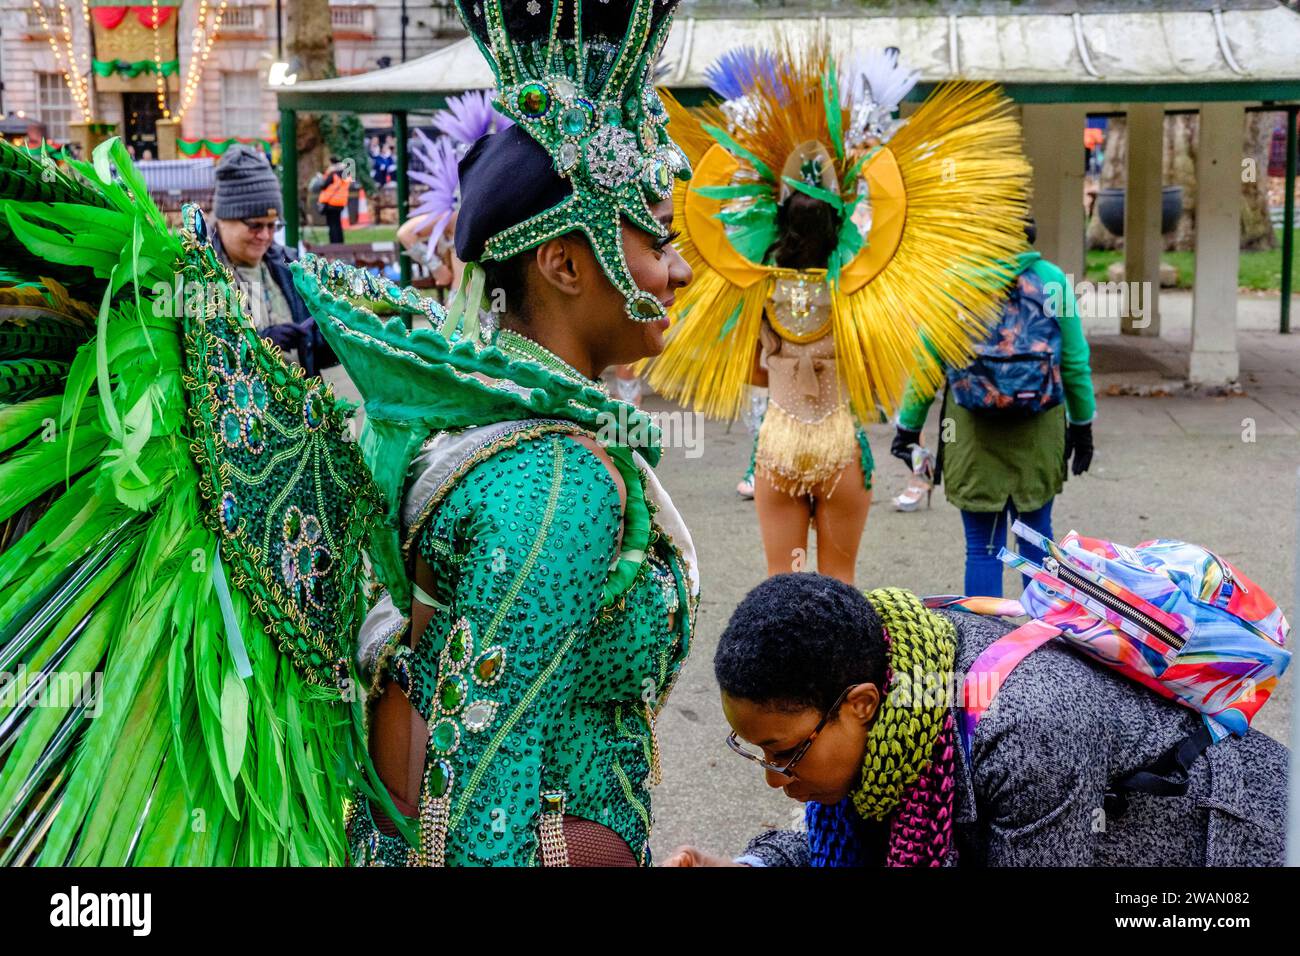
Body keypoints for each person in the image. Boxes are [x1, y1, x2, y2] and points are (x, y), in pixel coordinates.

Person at [318, 0, 698, 866]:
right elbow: (482, 808)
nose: (677, 271)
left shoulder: (477, 432)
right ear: (564, 264)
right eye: (656, 240)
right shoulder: (555, 483)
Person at [645, 42, 1032, 585]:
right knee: (840, 585)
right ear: (842, 221)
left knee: (784, 582)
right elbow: (877, 374)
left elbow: (754, 370)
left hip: (778, 449)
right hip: (840, 450)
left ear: (776, 221)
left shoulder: (757, 287)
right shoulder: (859, 287)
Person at [666, 573, 1290, 867]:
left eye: (784, 754)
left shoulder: (1026, 731)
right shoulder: (892, 678)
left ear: (859, 705)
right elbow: (857, 838)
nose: (775, 778)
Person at [891, 218, 1096, 598]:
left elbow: (926, 366)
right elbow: (1074, 363)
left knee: (982, 550)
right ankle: (1042, 644)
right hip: (1039, 432)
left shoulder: (954, 282)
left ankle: (984, 647)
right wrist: (1082, 427)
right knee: (1036, 543)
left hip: (971, 433)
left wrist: (908, 429)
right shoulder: (1051, 279)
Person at [210, 143, 337, 376]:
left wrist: (335, 334)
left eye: (272, 225)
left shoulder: (287, 265)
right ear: (224, 219)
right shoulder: (199, 274)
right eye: (255, 225)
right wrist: (259, 344)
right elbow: (198, 361)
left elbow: (315, 353)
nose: (266, 236)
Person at [317, 155, 351, 244]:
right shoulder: (345, 175)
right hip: (341, 202)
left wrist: (323, 176)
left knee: (332, 225)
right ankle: (340, 241)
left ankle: (334, 243)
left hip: (331, 203)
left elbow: (323, 185)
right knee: (338, 224)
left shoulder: (333, 174)